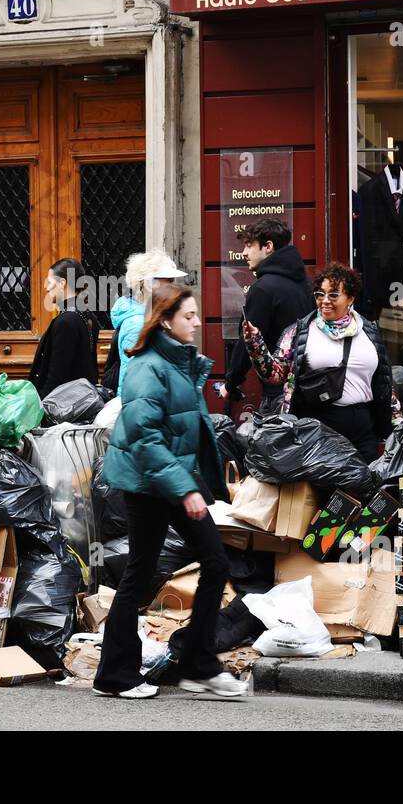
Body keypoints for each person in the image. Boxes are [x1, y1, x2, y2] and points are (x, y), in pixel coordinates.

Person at [94, 284, 244, 699]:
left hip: (174, 478)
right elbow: (144, 436)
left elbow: (184, 429)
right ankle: (115, 675)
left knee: (215, 563)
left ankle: (197, 665)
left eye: (196, 315)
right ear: (165, 320)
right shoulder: (148, 367)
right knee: (140, 575)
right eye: (189, 316)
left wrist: (193, 481)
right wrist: (186, 489)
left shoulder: (177, 362)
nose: (197, 323)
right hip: (148, 484)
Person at [242, 262, 394, 463]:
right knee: (322, 494)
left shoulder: (369, 332)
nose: (325, 301)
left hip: (364, 433)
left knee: (363, 489)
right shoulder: (300, 331)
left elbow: (384, 383)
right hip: (318, 432)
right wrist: (256, 345)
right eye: (319, 294)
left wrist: (396, 423)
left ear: (350, 298)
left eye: (333, 295)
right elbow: (274, 375)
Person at [222, 219, 314, 417]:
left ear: (268, 246)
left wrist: (230, 384)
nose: (244, 253)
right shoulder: (306, 283)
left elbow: (249, 342)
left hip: (279, 395)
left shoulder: (264, 288)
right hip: (310, 391)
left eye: (249, 245)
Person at [109, 249, 187, 399]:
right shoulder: (137, 325)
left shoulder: (153, 319)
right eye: (168, 281)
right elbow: (137, 380)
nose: (173, 287)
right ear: (149, 284)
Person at [29, 258, 100, 398]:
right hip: (78, 403)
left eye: (50, 282)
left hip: (63, 407)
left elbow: (57, 376)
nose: (46, 287)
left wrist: (39, 407)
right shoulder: (87, 316)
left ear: (62, 283)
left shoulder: (66, 321)